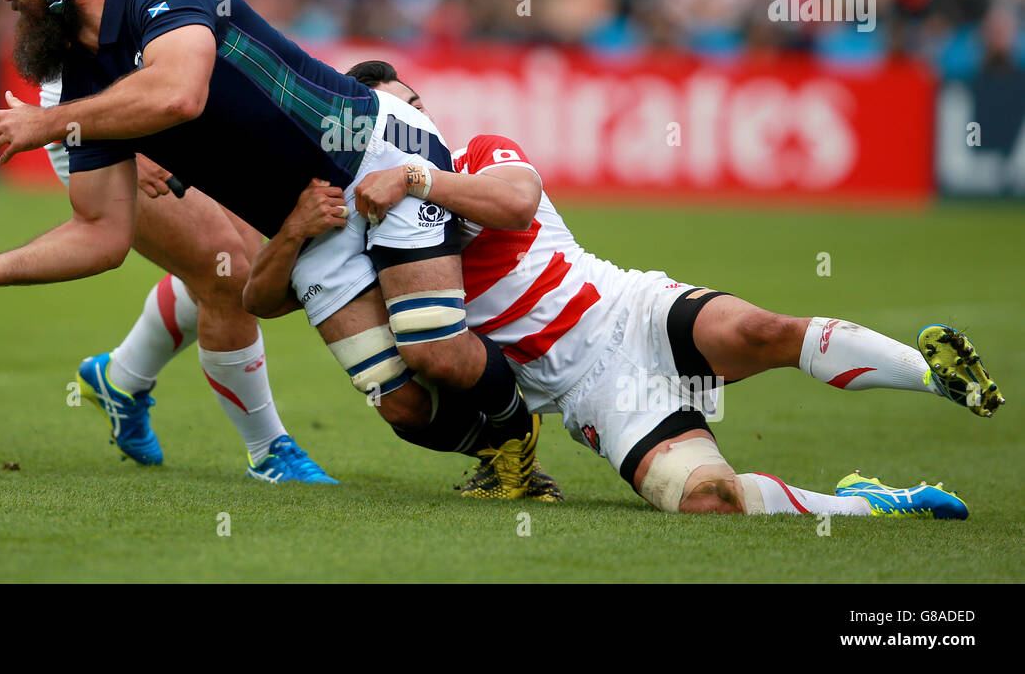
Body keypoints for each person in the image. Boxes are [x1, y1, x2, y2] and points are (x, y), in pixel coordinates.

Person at [0, 0, 543, 497]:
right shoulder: (82, 83)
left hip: (377, 157)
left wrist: (44, 125)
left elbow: (179, 93)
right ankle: (505, 444)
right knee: (400, 407)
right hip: (307, 220)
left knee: (431, 349)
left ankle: (524, 442)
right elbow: (101, 233)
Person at [243, 60, 1005, 517]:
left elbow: (513, 202)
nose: (415, 117)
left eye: (416, 103)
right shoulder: (374, 239)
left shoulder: (476, 154)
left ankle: (933, 375)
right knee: (711, 502)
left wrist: (414, 174)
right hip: (589, 395)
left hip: (629, 312)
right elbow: (268, 300)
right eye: (395, 114)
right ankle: (874, 502)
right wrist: (294, 233)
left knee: (757, 332)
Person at [40, 0, 329, 483]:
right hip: (101, 111)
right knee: (231, 272)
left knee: (242, 258)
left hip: (176, 98)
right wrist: (141, 147)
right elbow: (96, 54)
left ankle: (121, 379)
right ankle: (269, 453)